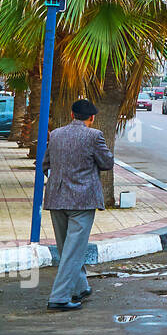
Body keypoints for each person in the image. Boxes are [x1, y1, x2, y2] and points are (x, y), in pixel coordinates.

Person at [42, 98, 114, 311]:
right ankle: (60, 297)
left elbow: (45, 164)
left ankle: (80, 287)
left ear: (72, 114)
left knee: (67, 248)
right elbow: (107, 163)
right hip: (82, 201)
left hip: (56, 198)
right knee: (73, 251)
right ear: (91, 118)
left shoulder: (55, 134)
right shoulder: (94, 136)